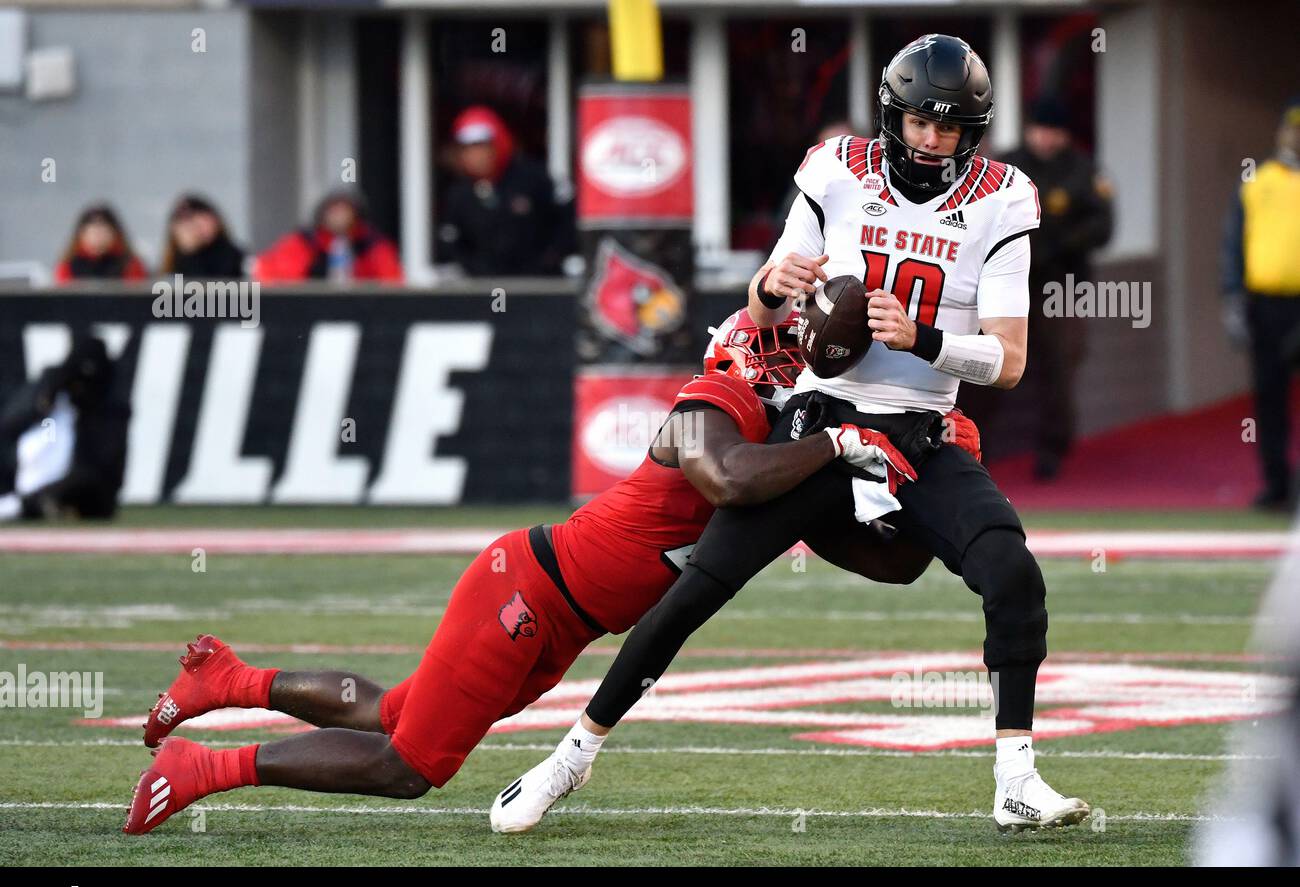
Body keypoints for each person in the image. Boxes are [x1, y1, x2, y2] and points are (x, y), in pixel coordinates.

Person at [492, 34, 1089, 837]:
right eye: (918, 123)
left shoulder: (1005, 197)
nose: (930, 141)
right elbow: (770, 306)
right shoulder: (836, 171)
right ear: (892, 115)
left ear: (973, 131)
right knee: (697, 589)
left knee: (1011, 570)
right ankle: (568, 757)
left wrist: (925, 340)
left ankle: (1015, 779)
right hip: (821, 415)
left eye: (948, 129)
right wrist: (773, 286)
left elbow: (1009, 362)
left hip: (918, 432)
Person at [123, 309, 982, 835]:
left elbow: (889, 566)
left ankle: (230, 678)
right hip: (526, 592)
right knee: (412, 766)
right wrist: (838, 442)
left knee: (394, 715)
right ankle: (206, 769)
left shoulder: (786, 457)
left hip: (564, 623)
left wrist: (924, 474)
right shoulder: (711, 409)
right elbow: (724, 478)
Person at [1002, 98, 1113, 480]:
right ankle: (968, 442)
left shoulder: (1082, 171)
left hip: (1062, 287)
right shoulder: (1008, 166)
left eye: (1054, 131)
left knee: (1059, 368)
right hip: (1008, 284)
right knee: (987, 363)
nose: (1046, 139)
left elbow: (1103, 226)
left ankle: (1052, 448)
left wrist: (1060, 243)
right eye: (1040, 129)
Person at [1222, 97, 1300, 511]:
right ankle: (1277, 483)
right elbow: (1234, 242)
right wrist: (1233, 298)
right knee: (1269, 398)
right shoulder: (1258, 180)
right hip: (1266, 304)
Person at [0, 335, 130, 521]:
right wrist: (44, 403)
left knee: (83, 479)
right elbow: (26, 432)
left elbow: (103, 466)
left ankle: (36, 503)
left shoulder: (108, 410)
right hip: (35, 478)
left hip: (84, 488)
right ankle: (35, 502)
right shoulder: (53, 404)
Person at [437, 105, 569, 276]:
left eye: (482, 146)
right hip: (486, 289)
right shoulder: (460, 195)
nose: (476, 155)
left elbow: (565, 223)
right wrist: (477, 271)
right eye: (468, 149)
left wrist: (549, 261)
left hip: (537, 284)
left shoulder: (532, 179)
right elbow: (451, 243)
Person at [254, 190, 403, 283]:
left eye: (344, 211)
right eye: (334, 212)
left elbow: (391, 281)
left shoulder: (371, 244)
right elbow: (278, 276)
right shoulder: (305, 242)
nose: (339, 217)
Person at [53, 205, 148, 283]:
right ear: (81, 235)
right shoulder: (68, 267)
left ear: (115, 233)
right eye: (93, 231)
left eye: (103, 230)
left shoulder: (130, 265)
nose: (98, 236)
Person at [159, 194, 245, 279]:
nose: (197, 228)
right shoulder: (173, 265)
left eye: (202, 219)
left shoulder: (234, 257)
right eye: (189, 223)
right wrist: (188, 251)